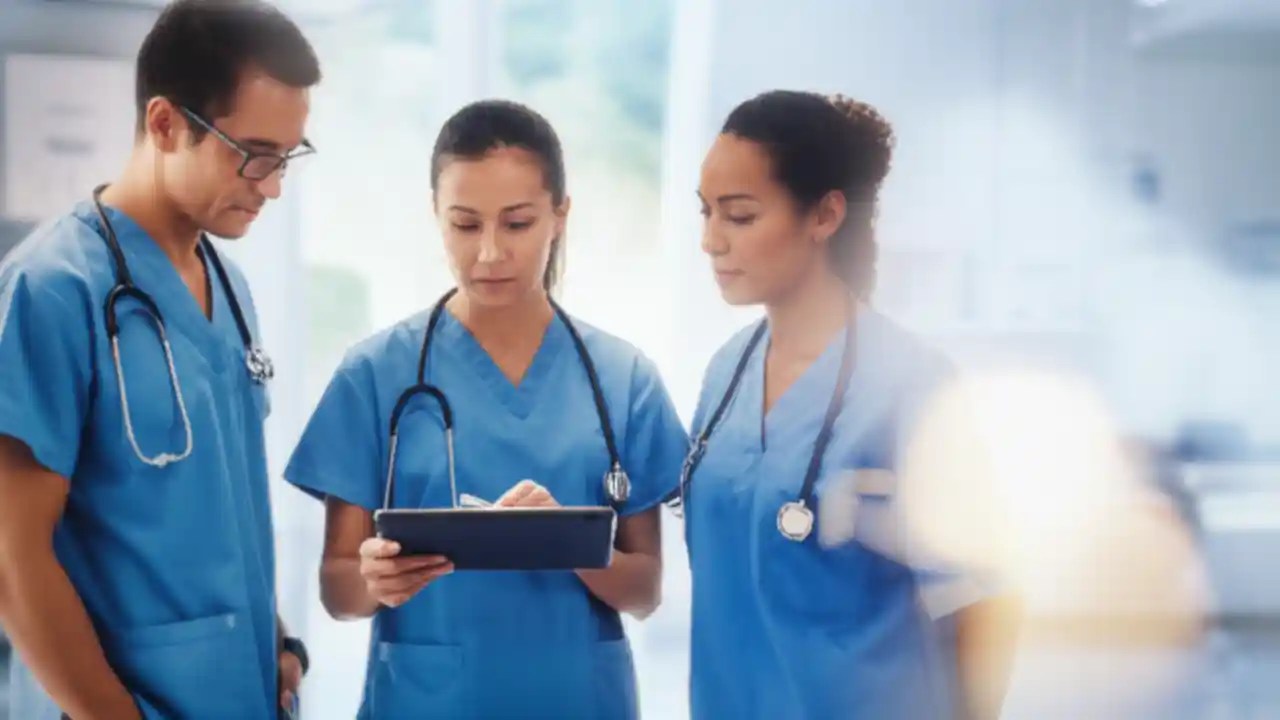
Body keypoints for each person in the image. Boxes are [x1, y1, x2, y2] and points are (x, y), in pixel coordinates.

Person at [284, 99, 688, 719]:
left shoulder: (623, 379)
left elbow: (645, 590)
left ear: (560, 215)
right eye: (465, 225)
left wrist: (568, 542)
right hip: (428, 700)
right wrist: (373, 580)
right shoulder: (375, 374)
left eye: (518, 223)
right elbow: (339, 590)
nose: (490, 253)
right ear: (436, 217)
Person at [0, 2, 321, 717]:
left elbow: (209, 512)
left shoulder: (231, 289)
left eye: (287, 158)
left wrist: (275, 640)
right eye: (254, 154)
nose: (271, 185)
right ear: (165, 123)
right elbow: (11, 563)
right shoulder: (52, 289)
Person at [682, 90, 1020, 719]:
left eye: (740, 216)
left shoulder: (913, 382)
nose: (711, 241)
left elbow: (984, 601)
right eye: (705, 213)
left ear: (824, 216)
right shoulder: (727, 371)